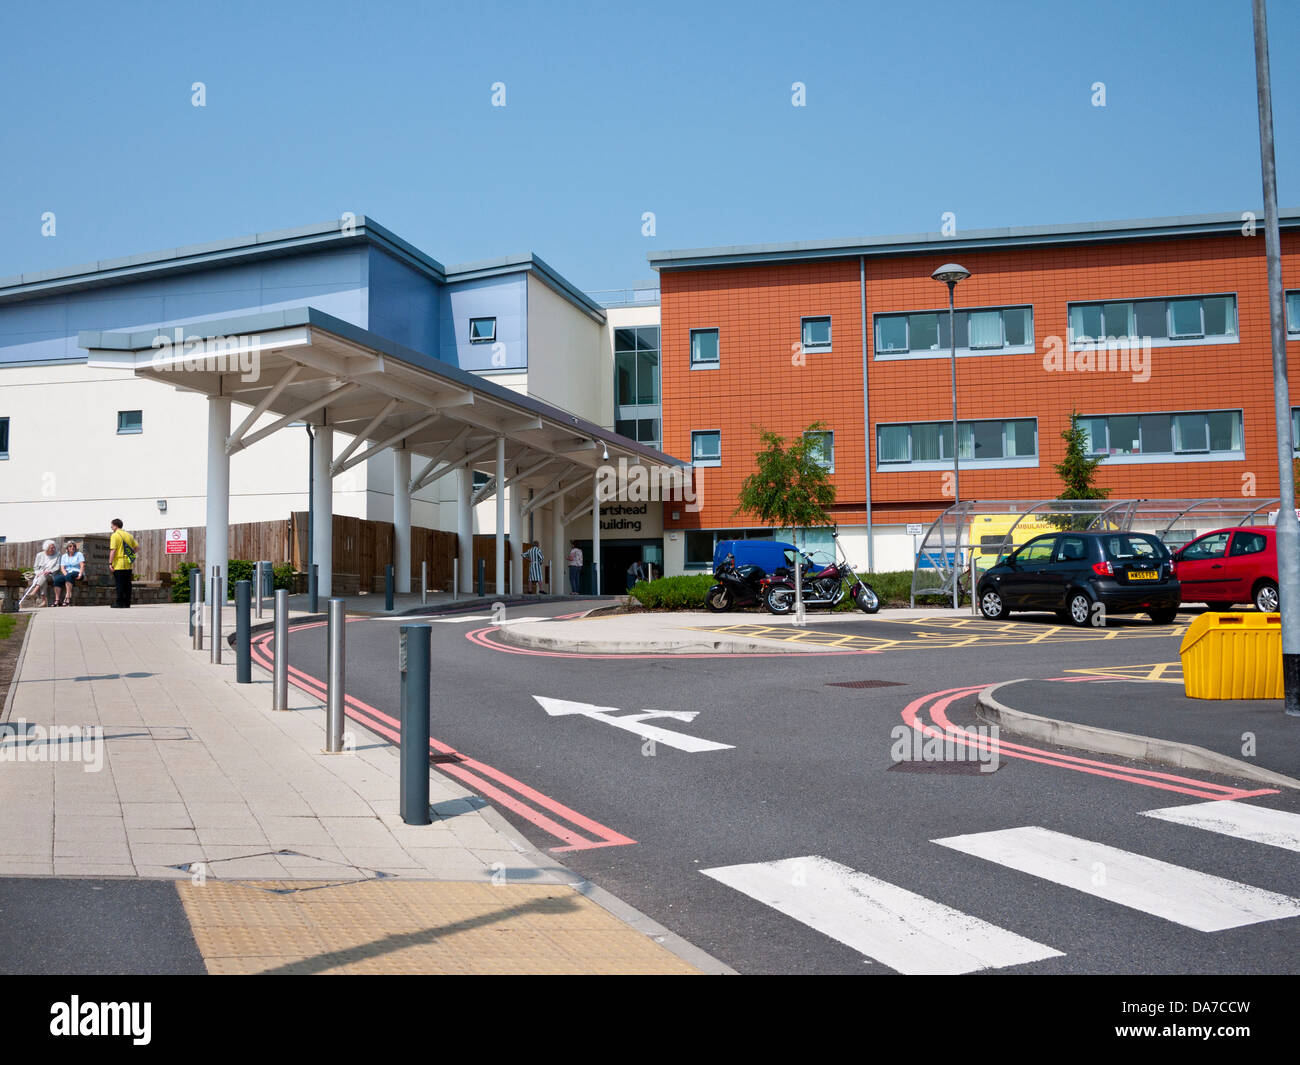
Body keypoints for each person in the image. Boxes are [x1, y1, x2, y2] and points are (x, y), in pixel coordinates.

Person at [108, 518, 138, 609]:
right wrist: (130, 554)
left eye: (112, 525)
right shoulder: (129, 535)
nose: (111, 527)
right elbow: (137, 548)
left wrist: (110, 563)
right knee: (127, 584)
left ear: (116, 526)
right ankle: (127, 603)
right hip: (128, 563)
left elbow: (113, 550)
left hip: (119, 563)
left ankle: (119, 603)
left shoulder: (115, 535)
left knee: (119, 584)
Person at [27, 540, 60, 607]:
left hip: (52, 575)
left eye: (54, 547)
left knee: (44, 575)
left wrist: (50, 571)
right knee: (43, 578)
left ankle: (34, 591)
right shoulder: (39, 555)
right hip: (41, 575)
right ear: (46, 548)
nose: (53, 549)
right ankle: (44, 601)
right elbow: (35, 567)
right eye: (51, 548)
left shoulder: (57, 554)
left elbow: (57, 566)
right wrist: (38, 573)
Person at [53, 540, 86, 606]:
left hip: (77, 572)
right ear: (67, 548)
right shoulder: (64, 556)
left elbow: (82, 565)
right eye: (70, 546)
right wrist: (65, 574)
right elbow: (62, 568)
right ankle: (57, 600)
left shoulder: (79, 554)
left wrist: (80, 574)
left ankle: (67, 598)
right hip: (67, 573)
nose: (72, 547)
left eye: (74, 546)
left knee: (69, 576)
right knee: (57, 579)